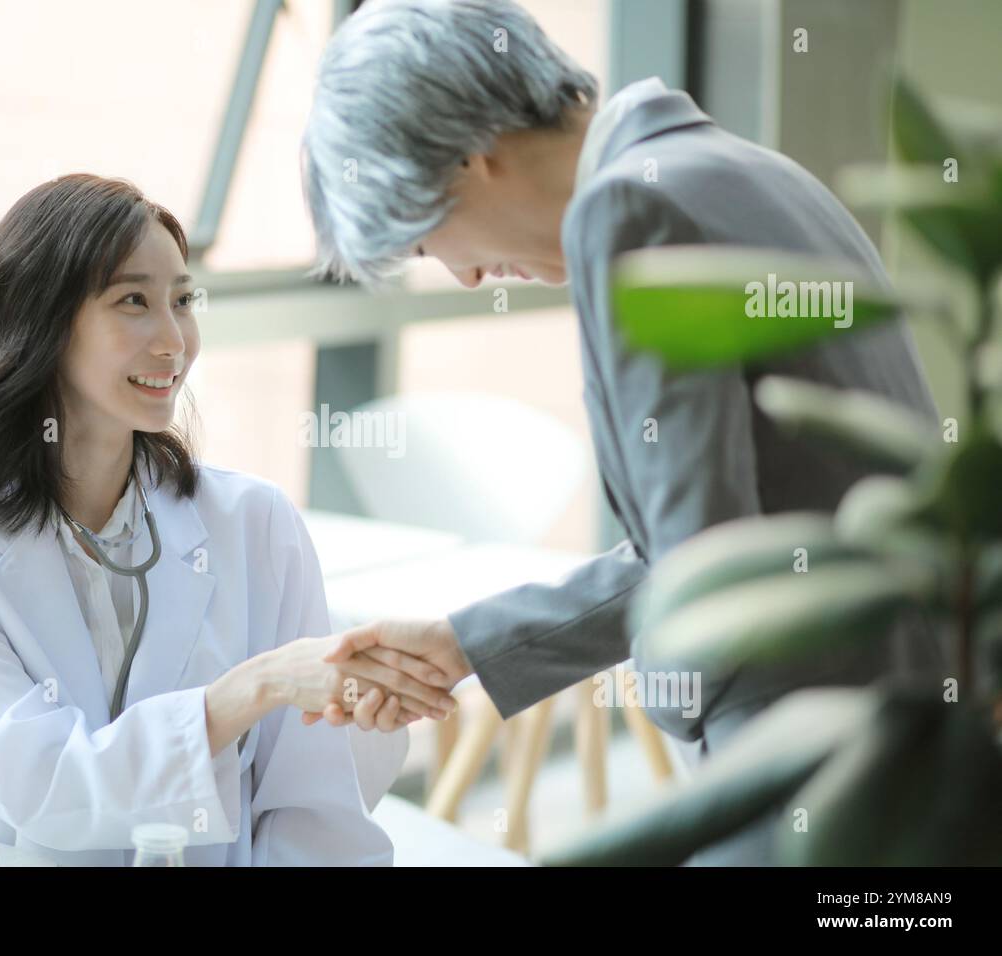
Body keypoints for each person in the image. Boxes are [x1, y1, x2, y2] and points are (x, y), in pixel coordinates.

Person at [296, 0, 946, 863]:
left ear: (462, 156)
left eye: (422, 241)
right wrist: (463, 644)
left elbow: (699, 567)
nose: (465, 273)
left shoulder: (625, 215)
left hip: (803, 756)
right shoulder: (738, 166)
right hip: (905, 725)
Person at [0, 174, 457, 866]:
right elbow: (49, 787)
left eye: (183, 300)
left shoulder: (254, 524)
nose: (174, 341)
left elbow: (315, 801)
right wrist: (253, 687)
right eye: (133, 302)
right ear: (41, 324)